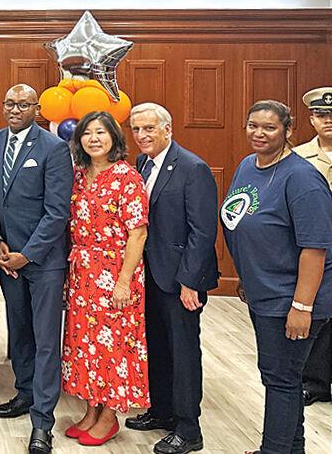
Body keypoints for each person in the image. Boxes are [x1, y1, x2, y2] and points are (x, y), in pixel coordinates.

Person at [222, 100, 332, 454]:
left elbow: (315, 248)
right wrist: (245, 275)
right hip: (262, 291)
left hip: (292, 297)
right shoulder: (246, 166)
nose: (259, 133)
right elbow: (243, 224)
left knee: (281, 380)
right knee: (281, 377)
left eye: (269, 127)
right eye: (253, 125)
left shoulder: (303, 178)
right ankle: (291, 449)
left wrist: (302, 306)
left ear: (288, 129)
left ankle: (274, 450)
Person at [0, 84, 72, 454]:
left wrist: (28, 254)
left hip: (44, 261)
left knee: (46, 339)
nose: (15, 109)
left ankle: (42, 422)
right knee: (17, 332)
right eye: (10, 103)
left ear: (37, 108)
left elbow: (57, 212)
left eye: (23, 104)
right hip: (6, 257)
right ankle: (24, 393)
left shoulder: (54, 148)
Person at [126, 102, 219, 454]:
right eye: (137, 129)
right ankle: (161, 410)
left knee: (182, 353)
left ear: (168, 129)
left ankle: (188, 428)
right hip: (149, 276)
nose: (142, 136)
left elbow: (202, 231)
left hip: (181, 281)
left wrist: (189, 282)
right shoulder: (141, 164)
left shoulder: (192, 168)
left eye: (149, 128)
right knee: (157, 348)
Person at [62, 111, 150, 447]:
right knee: (84, 344)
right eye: (87, 133)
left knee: (114, 346)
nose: (93, 139)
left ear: (114, 137)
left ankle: (110, 416)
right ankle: (91, 409)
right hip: (82, 272)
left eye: (101, 132)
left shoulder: (127, 177)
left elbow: (138, 234)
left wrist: (124, 281)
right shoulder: (79, 174)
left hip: (115, 273)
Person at [295, 87, 332, 407]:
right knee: (320, 312)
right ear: (311, 119)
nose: (328, 121)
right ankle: (316, 381)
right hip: (316, 245)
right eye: (321, 115)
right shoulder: (298, 157)